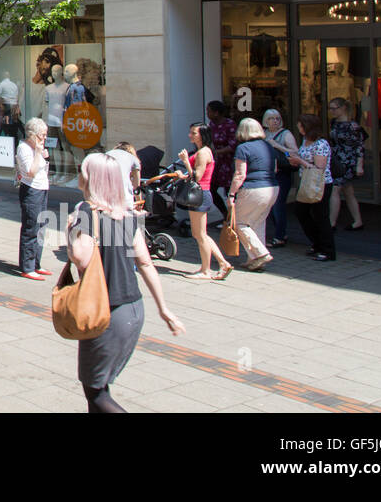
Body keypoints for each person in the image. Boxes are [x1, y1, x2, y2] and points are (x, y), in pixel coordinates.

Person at [68, 153, 184, 412]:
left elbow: (79, 257)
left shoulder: (87, 211)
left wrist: (71, 230)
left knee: (95, 391)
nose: (79, 174)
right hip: (133, 309)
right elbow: (145, 263)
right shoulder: (126, 216)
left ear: (91, 178)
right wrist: (163, 309)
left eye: (82, 170)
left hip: (105, 311)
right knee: (102, 384)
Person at [175, 123, 231, 279]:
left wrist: (186, 161)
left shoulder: (202, 153)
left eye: (194, 133)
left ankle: (206, 270)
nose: (190, 135)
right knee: (201, 234)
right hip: (202, 193)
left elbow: (197, 177)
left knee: (200, 235)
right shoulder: (205, 151)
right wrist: (183, 175)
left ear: (202, 135)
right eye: (191, 132)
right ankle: (222, 263)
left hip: (199, 194)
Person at [229, 117, 278, 271]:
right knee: (258, 223)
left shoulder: (243, 148)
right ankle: (254, 260)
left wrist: (231, 194)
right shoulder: (268, 146)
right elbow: (275, 169)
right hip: (272, 187)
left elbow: (239, 175)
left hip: (252, 188)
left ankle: (260, 253)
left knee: (240, 223)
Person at [288, 113, 336, 262]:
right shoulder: (305, 140)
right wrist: (296, 161)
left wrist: (300, 161)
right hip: (306, 182)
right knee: (301, 212)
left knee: (321, 216)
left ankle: (327, 250)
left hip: (320, 184)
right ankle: (317, 243)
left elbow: (319, 168)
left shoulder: (321, 144)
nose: (299, 128)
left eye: (301, 125)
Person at [15, 117, 52, 280]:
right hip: (32, 190)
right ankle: (27, 266)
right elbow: (31, 171)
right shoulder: (24, 148)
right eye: (41, 135)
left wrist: (44, 155)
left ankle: (36, 262)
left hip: (42, 188)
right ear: (32, 135)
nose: (44, 138)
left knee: (41, 227)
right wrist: (38, 153)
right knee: (31, 227)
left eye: (45, 135)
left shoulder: (37, 147)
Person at [328, 97, 366, 232]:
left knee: (335, 189)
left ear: (343, 108)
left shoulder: (353, 126)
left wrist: (359, 165)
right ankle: (358, 221)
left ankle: (331, 222)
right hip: (337, 160)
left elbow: (360, 146)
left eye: (334, 108)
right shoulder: (333, 123)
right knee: (348, 191)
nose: (331, 111)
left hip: (348, 161)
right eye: (330, 108)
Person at [262, 109, 298, 248]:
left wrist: (277, 146)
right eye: (272, 118)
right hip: (269, 172)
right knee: (271, 204)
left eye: (277, 118)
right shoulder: (264, 134)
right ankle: (280, 232)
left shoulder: (285, 134)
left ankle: (280, 236)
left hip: (282, 172)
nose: (275, 121)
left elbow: (295, 152)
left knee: (278, 205)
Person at [206, 100, 237, 224]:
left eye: (209, 111)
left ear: (216, 113)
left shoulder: (230, 125)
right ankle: (225, 214)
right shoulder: (211, 125)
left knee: (231, 192)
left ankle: (233, 219)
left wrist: (217, 152)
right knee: (212, 189)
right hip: (216, 163)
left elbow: (233, 145)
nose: (207, 113)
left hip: (228, 163)